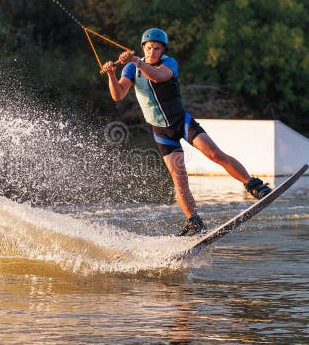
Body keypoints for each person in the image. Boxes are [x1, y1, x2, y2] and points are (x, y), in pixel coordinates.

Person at [101, 28, 272, 236]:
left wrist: (138, 61)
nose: (152, 52)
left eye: (156, 48)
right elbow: (118, 95)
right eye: (148, 48)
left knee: (214, 154)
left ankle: (254, 186)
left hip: (182, 122)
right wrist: (111, 74)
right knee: (179, 177)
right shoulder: (129, 69)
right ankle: (194, 221)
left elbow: (158, 77)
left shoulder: (168, 63)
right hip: (162, 133)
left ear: (163, 49)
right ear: (143, 47)